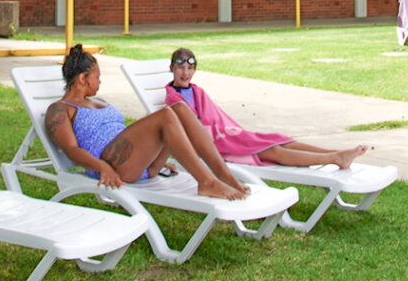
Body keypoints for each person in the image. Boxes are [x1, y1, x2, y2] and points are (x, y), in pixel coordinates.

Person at [44, 45, 252, 200]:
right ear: (82, 78)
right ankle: (206, 182)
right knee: (166, 115)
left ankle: (224, 175)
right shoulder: (60, 110)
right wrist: (102, 167)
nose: (100, 81)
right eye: (97, 77)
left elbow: (126, 133)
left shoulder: (99, 101)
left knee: (180, 109)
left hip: (137, 163)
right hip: (113, 165)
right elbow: (71, 150)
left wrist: (149, 153)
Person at [164, 47, 369, 169]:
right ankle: (335, 159)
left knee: (278, 139)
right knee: (274, 150)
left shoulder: (197, 91)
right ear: (172, 68)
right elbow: (191, 129)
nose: (185, 73)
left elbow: (216, 116)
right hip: (215, 146)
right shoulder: (173, 99)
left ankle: (336, 152)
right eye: (180, 67)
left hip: (228, 135)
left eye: (190, 68)